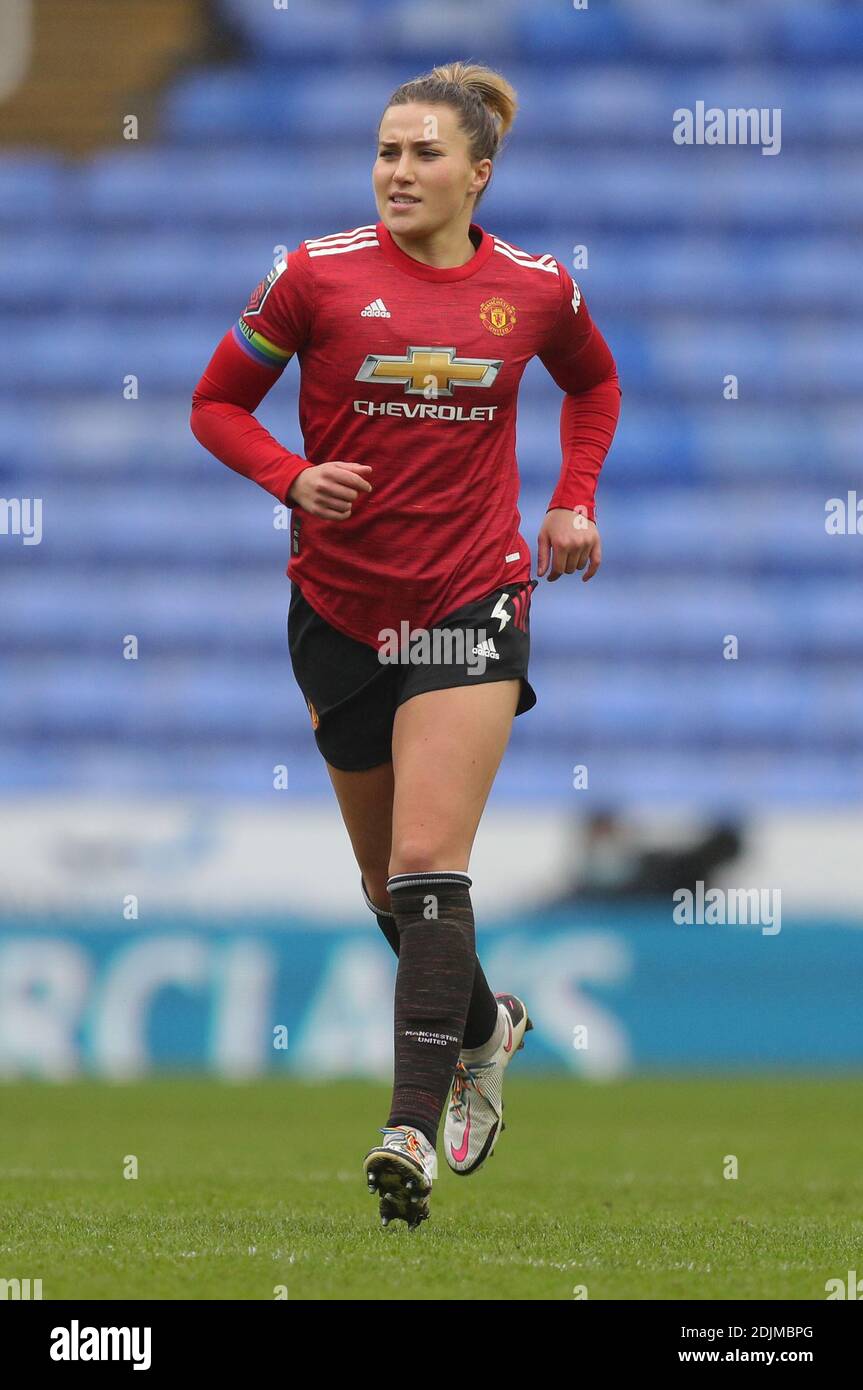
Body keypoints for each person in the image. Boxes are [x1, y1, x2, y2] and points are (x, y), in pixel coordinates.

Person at [190, 60, 621, 1229]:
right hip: (336, 610)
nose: (397, 171)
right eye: (385, 150)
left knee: (432, 867)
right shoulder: (311, 277)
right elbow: (213, 404)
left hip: (470, 601)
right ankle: (486, 1029)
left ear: (478, 174)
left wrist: (572, 498)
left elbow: (594, 383)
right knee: (387, 887)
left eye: (424, 153)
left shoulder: (533, 290)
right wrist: (290, 475)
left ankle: (406, 1130)